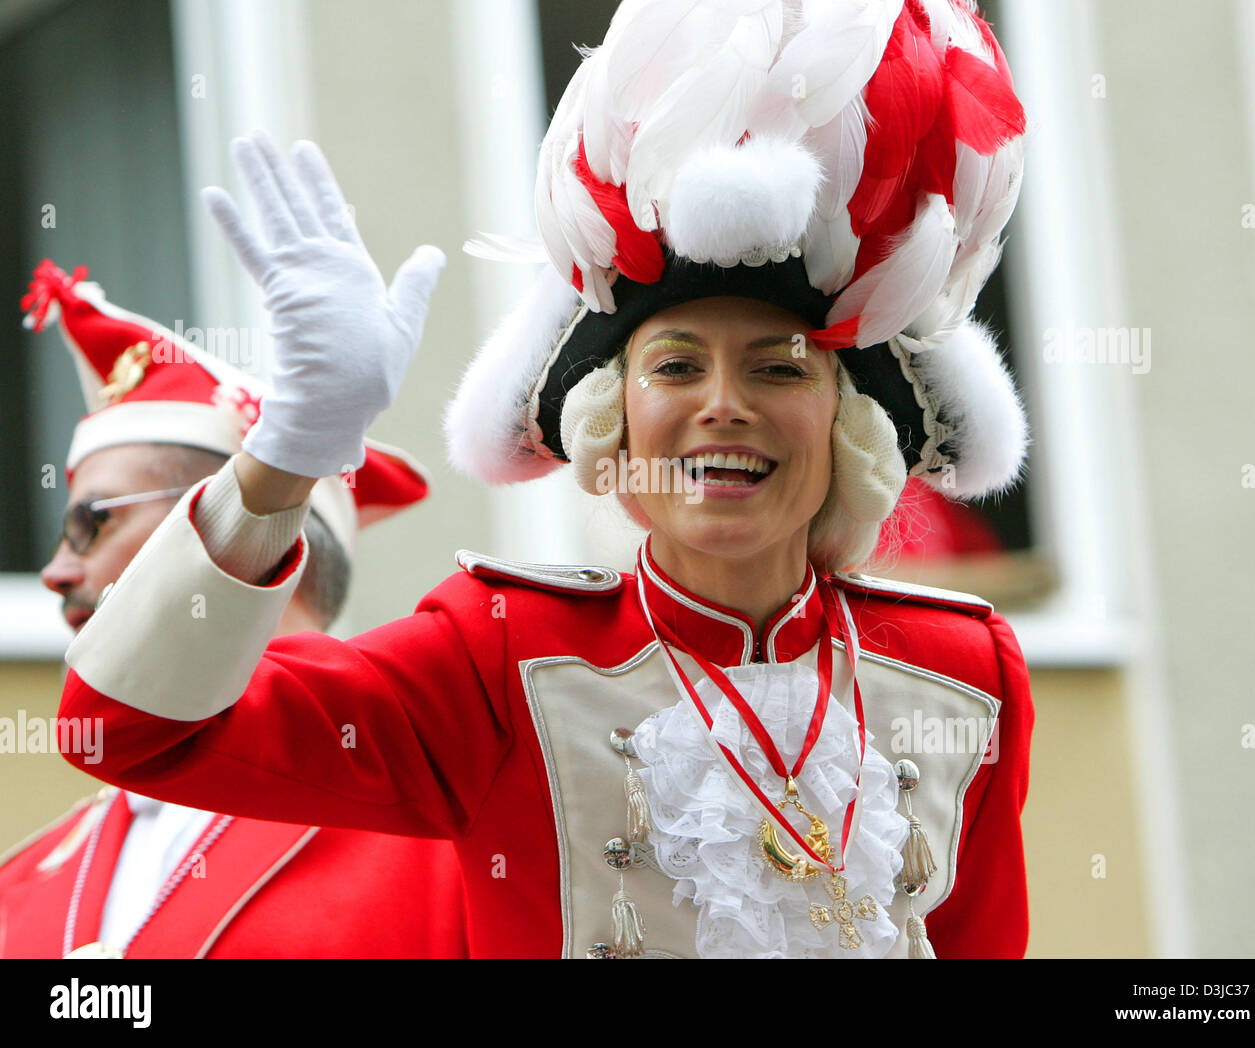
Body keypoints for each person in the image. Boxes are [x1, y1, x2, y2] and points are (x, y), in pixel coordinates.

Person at [57, 0, 1033, 958]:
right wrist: (289, 453)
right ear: (612, 423)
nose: (723, 403)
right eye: (676, 366)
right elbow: (130, 734)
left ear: (846, 425)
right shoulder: (501, 654)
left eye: (778, 367)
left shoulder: (962, 674)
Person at [1, 263, 469, 958]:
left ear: (229, 526)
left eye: (92, 523)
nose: (56, 571)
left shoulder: (442, 832)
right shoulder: (20, 881)